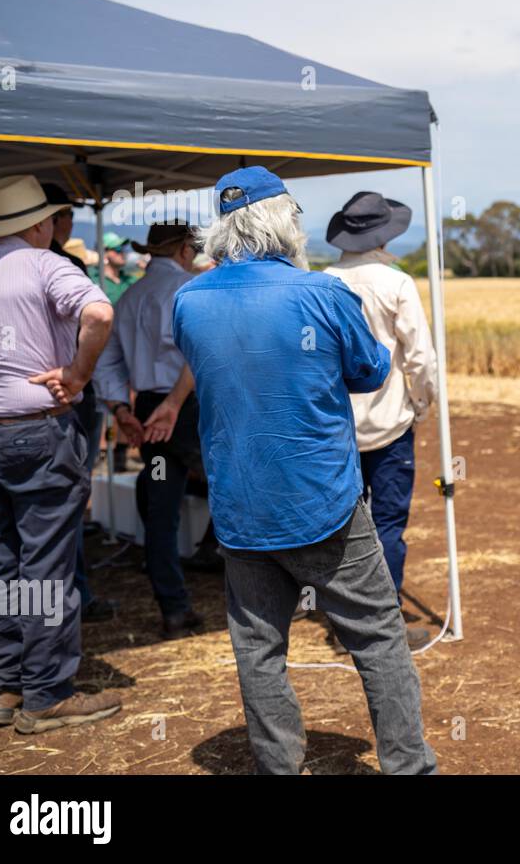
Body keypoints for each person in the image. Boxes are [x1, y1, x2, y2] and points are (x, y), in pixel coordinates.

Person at [172, 167, 436, 774]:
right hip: (324, 499)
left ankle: (278, 767)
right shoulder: (319, 293)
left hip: (238, 504)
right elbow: (370, 372)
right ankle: (407, 765)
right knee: (377, 637)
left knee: (259, 649)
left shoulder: (189, 299)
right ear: (286, 223)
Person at [0, 175, 123, 733]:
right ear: (39, 223)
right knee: (46, 564)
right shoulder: (45, 263)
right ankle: (47, 693)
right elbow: (100, 315)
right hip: (35, 429)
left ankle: (4, 686)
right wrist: (77, 375)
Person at [323, 192, 437, 651]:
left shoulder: (322, 282)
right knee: (388, 522)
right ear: (384, 235)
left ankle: (345, 615)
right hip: (391, 425)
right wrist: (421, 405)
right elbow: (421, 358)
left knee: (342, 523)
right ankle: (385, 619)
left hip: (336, 427)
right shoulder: (396, 283)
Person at [95, 220, 214, 639]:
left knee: (162, 500)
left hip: (147, 410)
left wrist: (118, 408)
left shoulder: (128, 297)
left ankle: (174, 607)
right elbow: (203, 355)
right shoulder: (191, 292)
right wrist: (175, 403)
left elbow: (106, 361)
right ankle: (243, 578)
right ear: (184, 249)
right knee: (232, 486)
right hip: (188, 408)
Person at [42, 182, 118, 624]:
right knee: (67, 501)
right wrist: (81, 375)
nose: (69, 223)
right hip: (65, 396)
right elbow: (97, 319)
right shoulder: (65, 266)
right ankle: (75, 597)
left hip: (9, 410)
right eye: (65, 215)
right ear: (52, 221)